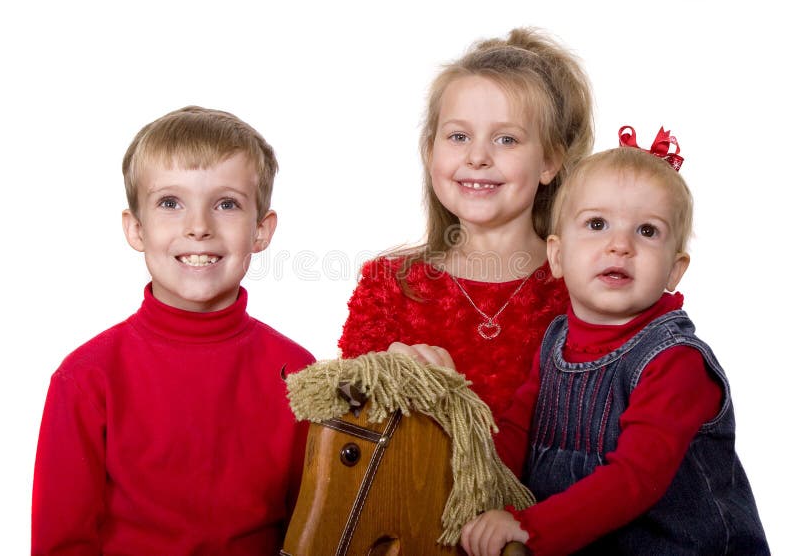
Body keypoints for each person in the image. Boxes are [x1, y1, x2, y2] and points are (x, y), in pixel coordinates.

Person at [460, 128, 769, 555]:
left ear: (675, 270)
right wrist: (472, 489)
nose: (619, 245)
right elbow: (515, 432)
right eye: (597, 224)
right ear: (557, 255)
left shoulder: (675, 362)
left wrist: (529, 527)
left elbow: (635, 479)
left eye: (647, 231)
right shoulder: (555, 339)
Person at [32, 106, 315, 555]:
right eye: (170, 203)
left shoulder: (298, 374)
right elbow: (61, 543)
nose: (198, 227)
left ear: (261, 231)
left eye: (226, 204)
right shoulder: (86, 377)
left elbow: (316, 532)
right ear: (136, 228)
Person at [339, 28, 594, 418]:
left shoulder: (583, 287)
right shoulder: (387, 286)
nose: (477, 156)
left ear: (549, 162)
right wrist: (379, 377)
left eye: (506, 140)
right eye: (458, 136)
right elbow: (343, 414)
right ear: (430, 152)